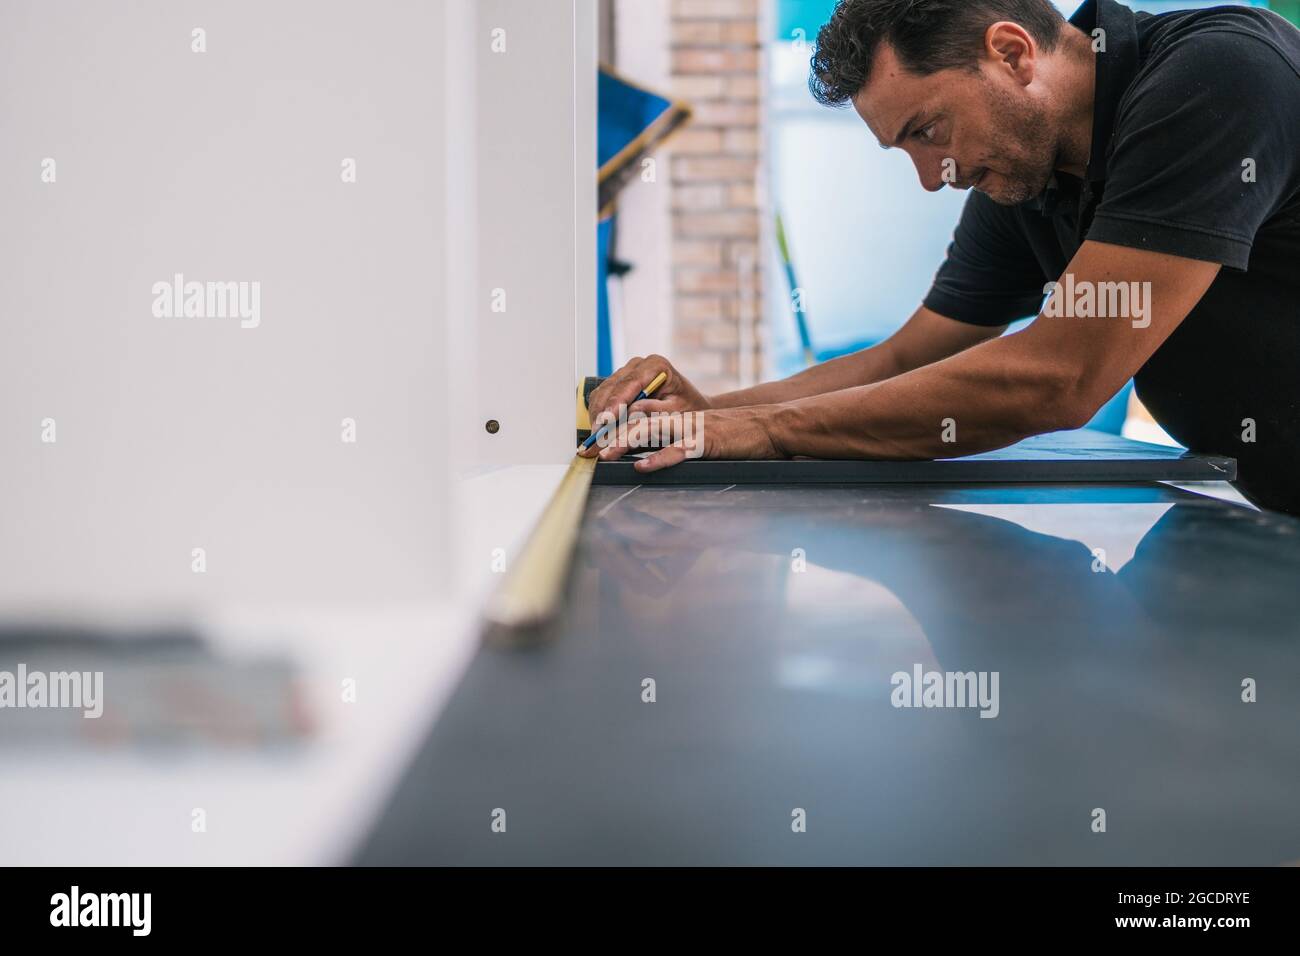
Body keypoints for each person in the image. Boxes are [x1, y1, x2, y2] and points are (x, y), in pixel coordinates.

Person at [583, 0, 1300, 515]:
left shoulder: (1220, 76)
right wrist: (707, 415)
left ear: (1013, 54)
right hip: (1265, 497)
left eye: (929, 130)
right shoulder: (1027, 177)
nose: (933, 178)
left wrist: (764, 431)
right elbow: (904, 360)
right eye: (907, 149)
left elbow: (1063, 375)